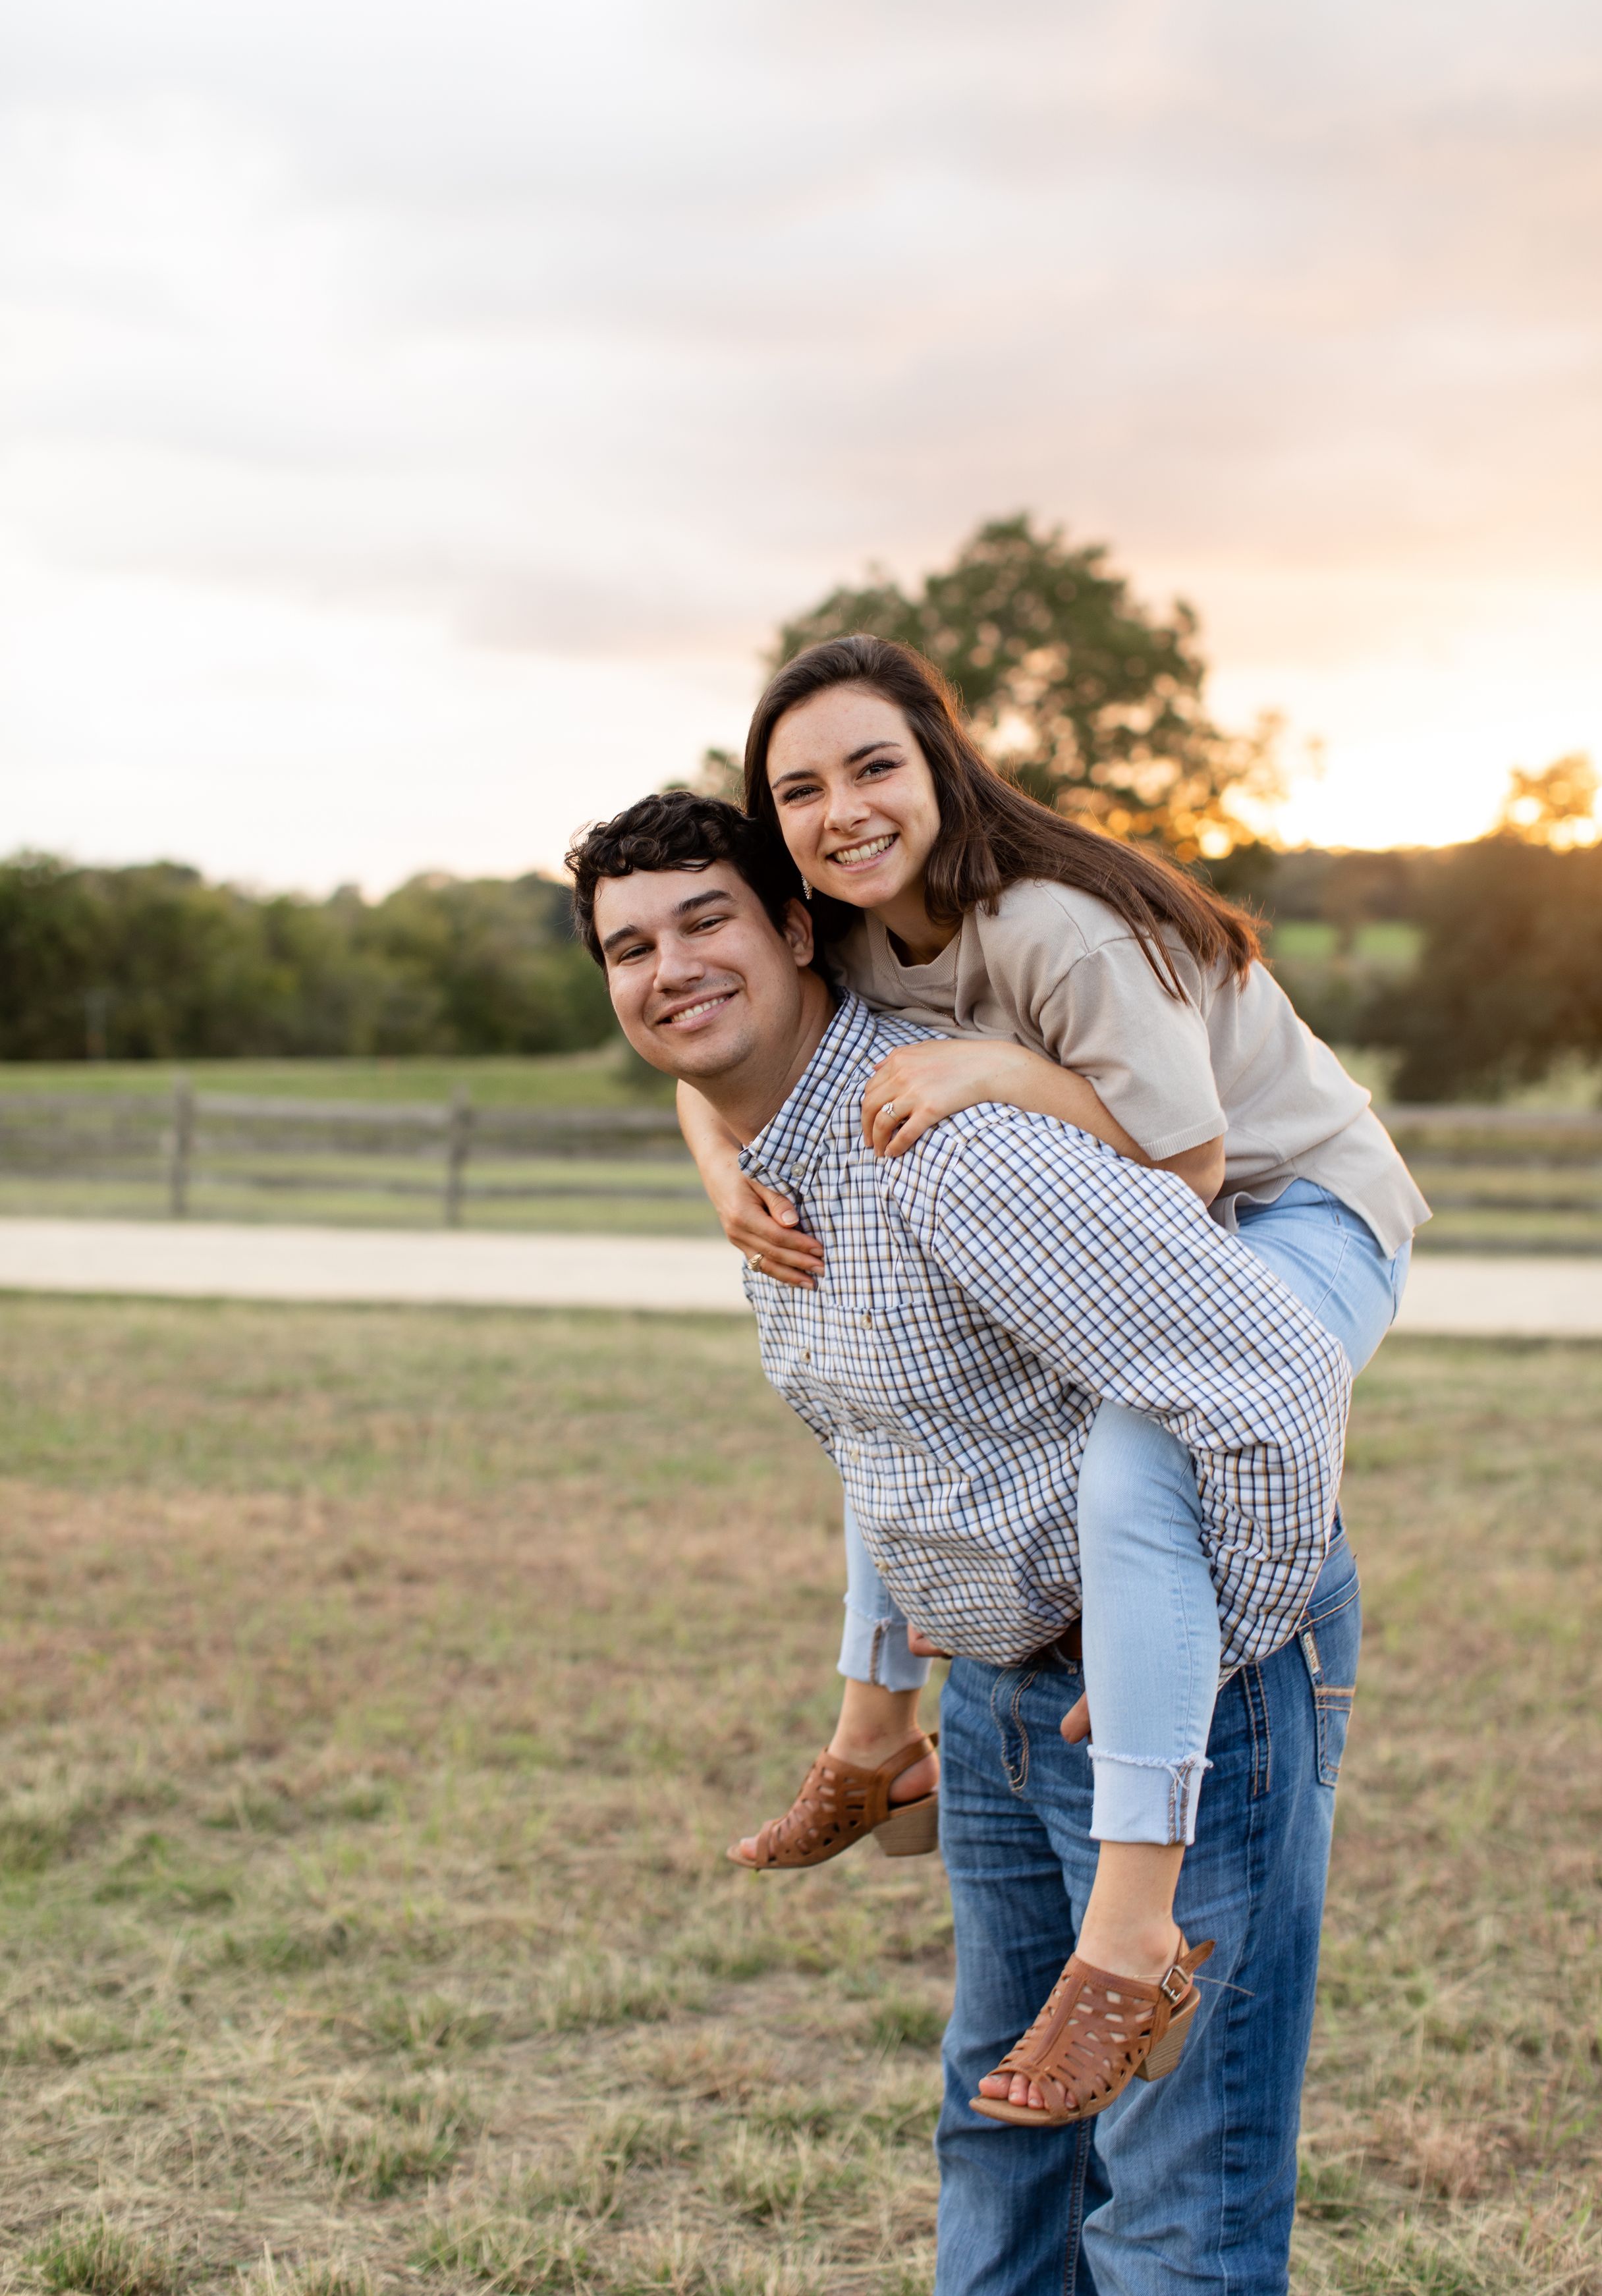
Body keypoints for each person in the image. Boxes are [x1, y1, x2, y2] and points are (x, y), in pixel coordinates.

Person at [567, 788, 1363, 2291]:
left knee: (1172, 2199)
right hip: (1001, 1690)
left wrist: (1232, 1651)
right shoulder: (773, 1161)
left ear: (801, 931)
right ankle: (878, 1753)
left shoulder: (952, 1151)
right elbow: (893, 1430)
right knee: (996, 2135)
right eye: (627, 947)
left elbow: (1269, 1373)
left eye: (704, 921)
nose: (666, 967)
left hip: (1166, 1691)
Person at [675, 635, 1427, 2103]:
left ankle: (1135, 1939)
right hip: (1148, 1200)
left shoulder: (1050, 927)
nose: (843, 811)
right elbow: (729, 1055)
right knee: (889, 1355)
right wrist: (718, 1167)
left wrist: (1000, 1071)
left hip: (1292, 1207)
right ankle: (874, 1734)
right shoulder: (843, 931)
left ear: (941, 766)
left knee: (1140, 1453)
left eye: (873, 766)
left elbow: (1194, 1164)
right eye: (800, 791)